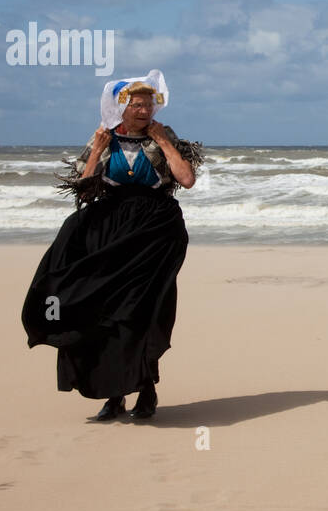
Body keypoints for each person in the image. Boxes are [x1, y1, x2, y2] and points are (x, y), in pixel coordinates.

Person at [22, 70, 204, 421]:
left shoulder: (163, 136)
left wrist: (164, 142)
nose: (143, 111)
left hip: (155, 231)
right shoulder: (104, 137)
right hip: (111, 229)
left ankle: (147, 391)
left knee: (143, 311)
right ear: (120, 106)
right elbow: (84, 188)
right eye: (136, 105)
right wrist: (99, 149)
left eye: (148, 105)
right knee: (104, 312)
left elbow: (186, 179)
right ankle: (114, 395)